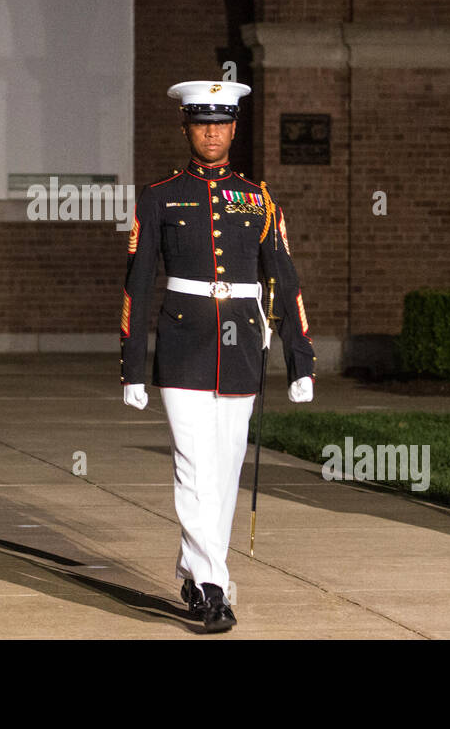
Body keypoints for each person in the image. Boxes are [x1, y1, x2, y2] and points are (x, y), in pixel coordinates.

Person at [121, 80, 315, 632]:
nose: (212, 131)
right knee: (193, 465)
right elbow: (137, 283)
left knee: (225, 468)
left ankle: (194, 564)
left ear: (234, 128)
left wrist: (300, 357)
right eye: (201, 122)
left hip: (241, 348)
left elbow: (285, 279)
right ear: (185, 127)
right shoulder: (160, 196)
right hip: (183, 342)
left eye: (222, 121)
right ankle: (210, 585)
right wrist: (133, 365)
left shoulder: (260, 198)